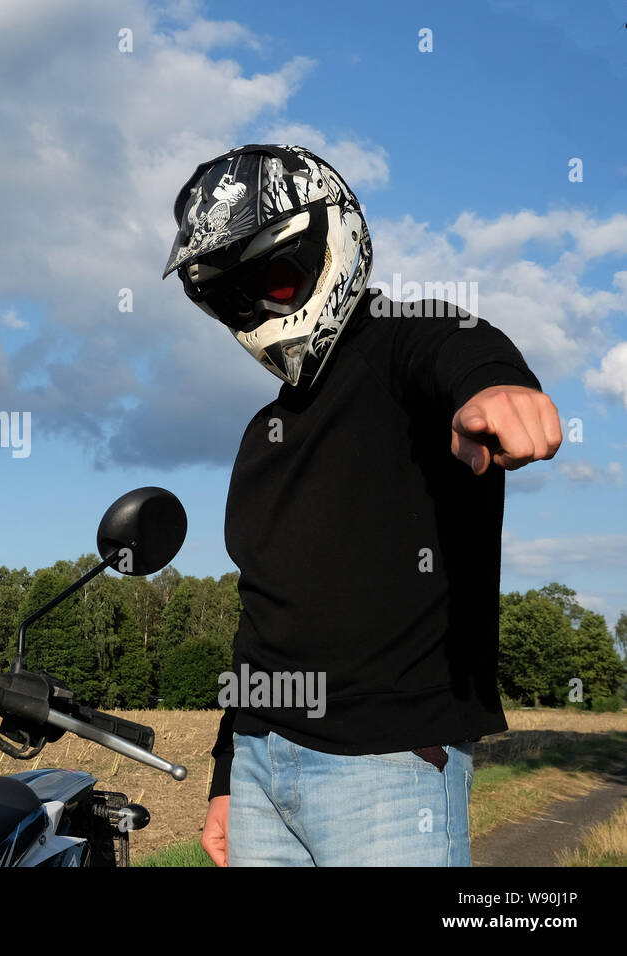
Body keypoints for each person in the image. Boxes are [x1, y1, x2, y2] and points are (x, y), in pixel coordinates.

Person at [161, 144, 561, 866]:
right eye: (231, 297)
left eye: (276, 277)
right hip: (261, 765)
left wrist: (497, 386)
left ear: (333, 240)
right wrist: (228, 773)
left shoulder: (405, 349)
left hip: (389, 768)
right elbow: (263, 619)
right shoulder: (263, 436)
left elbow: (457, 344)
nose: (256, 308)